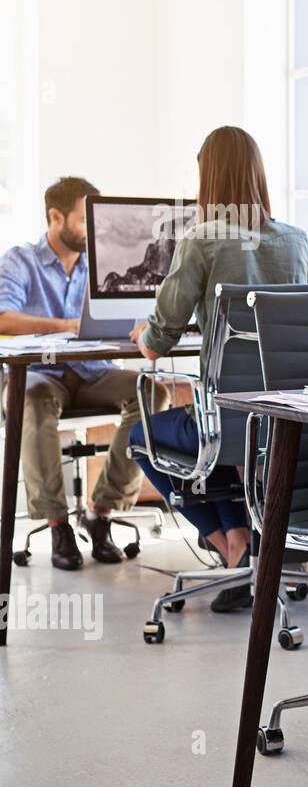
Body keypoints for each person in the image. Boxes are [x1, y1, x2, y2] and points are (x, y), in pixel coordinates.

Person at [130, 127, 308, 612]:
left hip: (227, 423)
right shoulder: (299, 241)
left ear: (209, 179)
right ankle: (245, 546)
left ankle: (231, 547)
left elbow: (158, 342)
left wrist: (143, 335)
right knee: (233, 444)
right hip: (291, 421)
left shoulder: (201, 241)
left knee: (142, 437)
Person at [0, 177, 169, 570]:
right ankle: (58, 524)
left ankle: (100, 512)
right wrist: (65, 325)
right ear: (55, 217)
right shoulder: (20, 261)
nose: (93, 231)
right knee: (31, 398)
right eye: (83, 220)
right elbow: (3, 318)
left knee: (152, 394)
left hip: (93, 372)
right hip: (39, 374)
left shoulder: (101, 264)